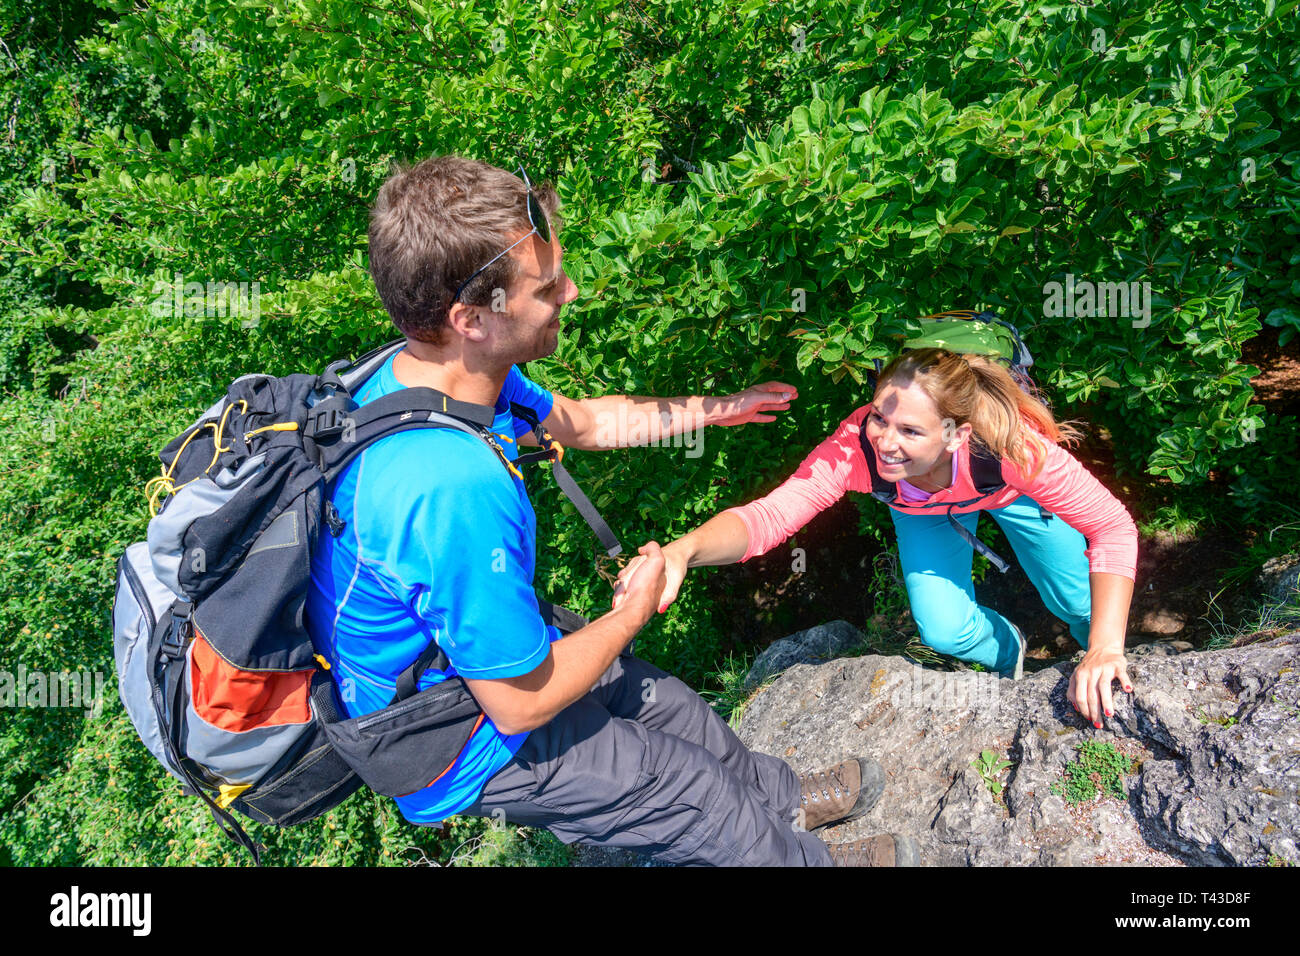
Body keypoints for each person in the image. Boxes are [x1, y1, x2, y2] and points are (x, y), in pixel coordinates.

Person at [304, 155, 916, 866]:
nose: (570, 290)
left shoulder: (445, 377)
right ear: (472, 318)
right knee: (687, 792)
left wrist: (720, 409)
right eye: (547, 284)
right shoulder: (444, 485)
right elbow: (520, 703)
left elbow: (585, 423)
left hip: (479, 659)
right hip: (452, 732)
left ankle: (781, 805)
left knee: (668, 706)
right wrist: (632, 611)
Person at [640, 347, 1138, 730]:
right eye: (879, 416)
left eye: (909, 431)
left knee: (1084, 603)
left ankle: (1095, 657)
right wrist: (684, 549)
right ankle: (1014, 658)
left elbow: (1111, 527)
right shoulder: (855, 448)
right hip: (917, 505)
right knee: (945, 630)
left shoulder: (1007, 445)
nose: (884, 440)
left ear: (956, 435)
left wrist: (1105, 646)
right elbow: (769, 517)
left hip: (1003, 491)